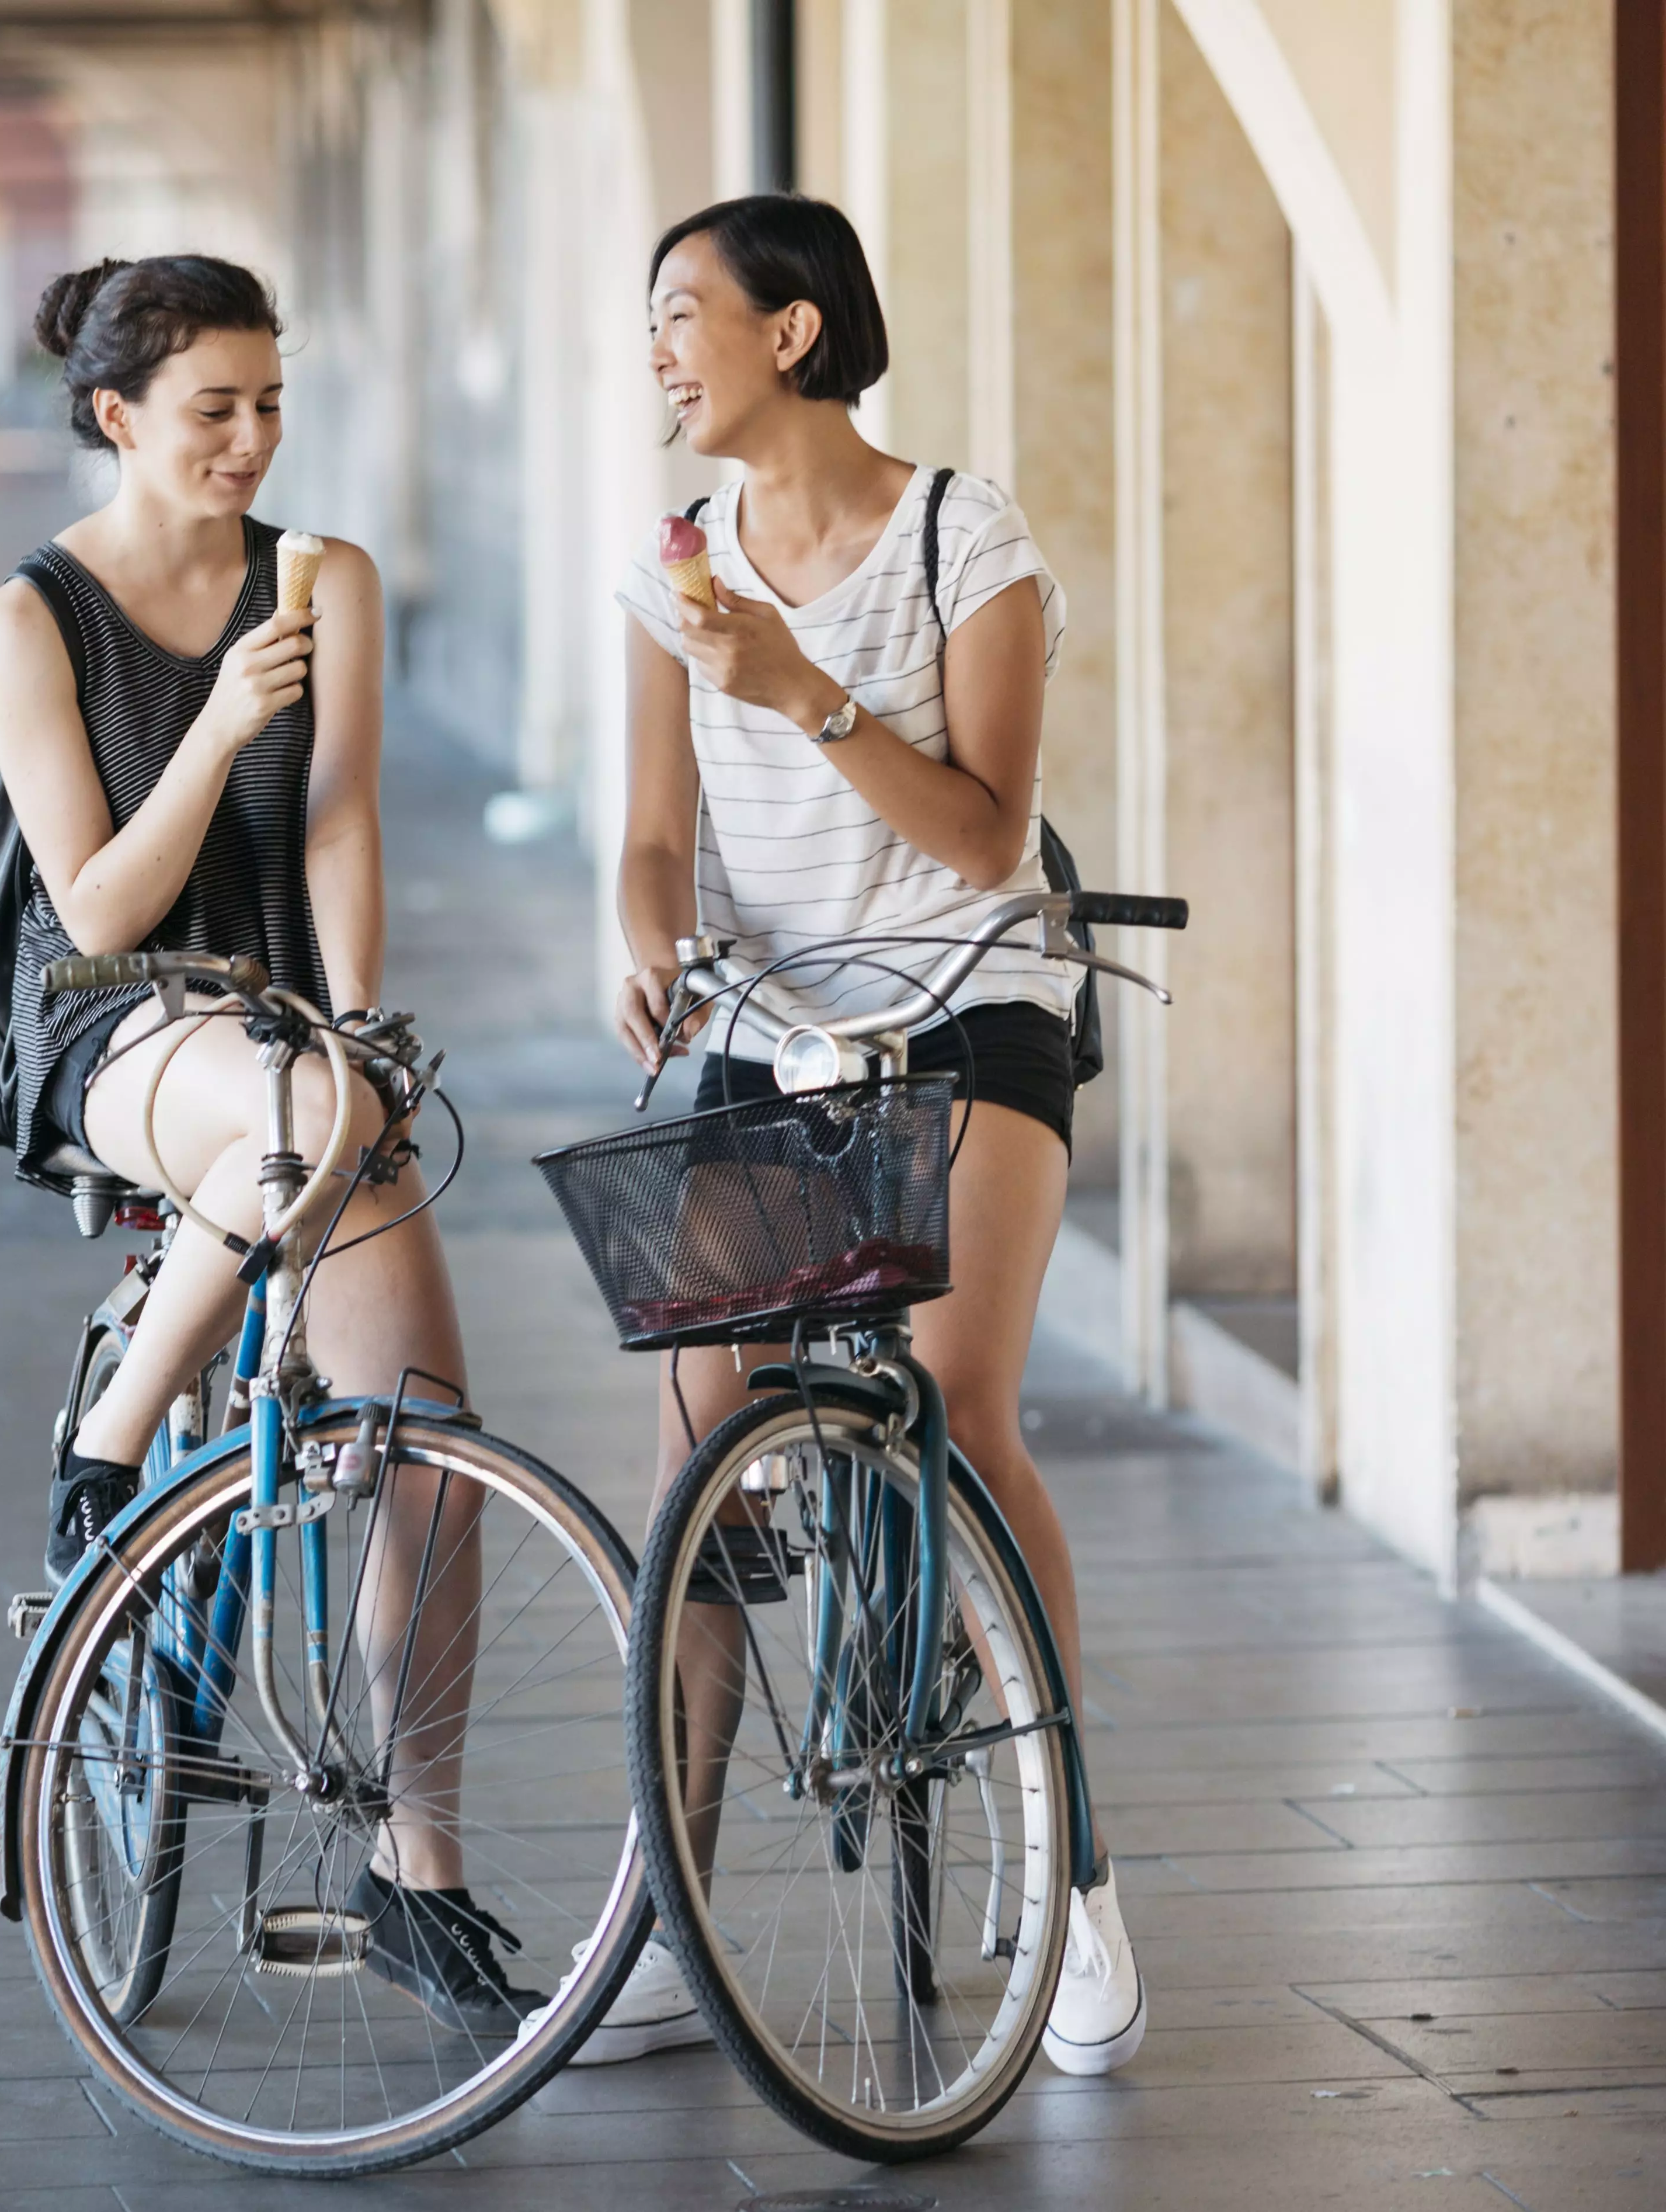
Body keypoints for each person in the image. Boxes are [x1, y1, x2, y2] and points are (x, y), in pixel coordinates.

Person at [604, 192, 1144, 2077]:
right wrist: (646, 931)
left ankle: (1067, 1875)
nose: (659, 345)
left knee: (964, 1402)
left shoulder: (956, 531)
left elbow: (989, 836)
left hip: (973, 1002)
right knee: (695, 1451)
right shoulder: (671, 562)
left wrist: (803, 688)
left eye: (686, 312)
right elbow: (655, 829)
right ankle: (673, 1901)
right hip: (773, 1033)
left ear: (797, 333)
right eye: (651, 316)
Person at [0, 255, 531, 2036]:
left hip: (297, 1051)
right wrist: (218, 718)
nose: (250, 438)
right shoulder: (31, 616)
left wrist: (355, 1016)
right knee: (298, 1110)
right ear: (117, 412)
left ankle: (418, 1865)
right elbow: (101, 899)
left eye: (271, 403)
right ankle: (113, 1433)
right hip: (116, 1022)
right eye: (212, 407)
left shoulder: (326, 579)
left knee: (429, 1444)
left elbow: (346, 820)